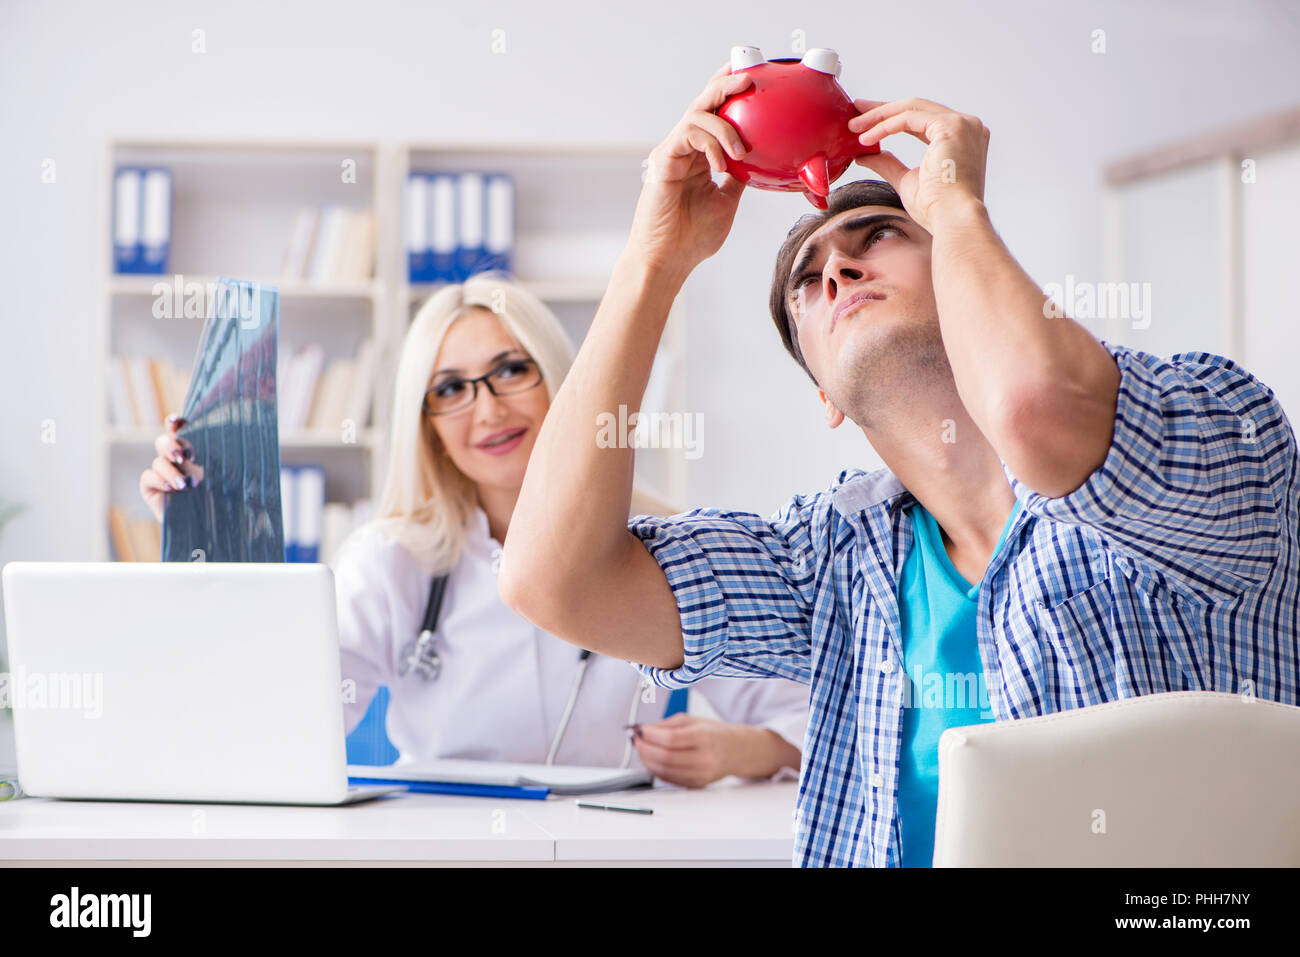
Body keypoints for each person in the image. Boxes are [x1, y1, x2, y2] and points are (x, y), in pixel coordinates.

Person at [498, 63, 1300, 865]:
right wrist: (653, 263)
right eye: (808, 283)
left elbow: (1037, 408)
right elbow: (554, 579)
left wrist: (953, 207)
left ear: (963, 280)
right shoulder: (830, 560)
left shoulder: (1214, 423)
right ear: (826, 398)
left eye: (878, 236)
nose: (838, 270)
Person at [140, 275, 808, 787]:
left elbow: (815, 711)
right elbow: (276, 725)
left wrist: (748, 748)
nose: (487, 408)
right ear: (425, 422)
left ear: (566, 387)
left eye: (512, 370)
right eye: (450, 388)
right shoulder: (390, 562)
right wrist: (204, 541)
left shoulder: (666, 545)